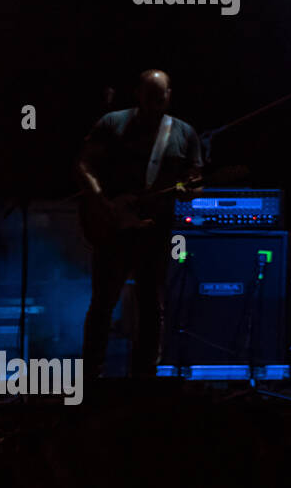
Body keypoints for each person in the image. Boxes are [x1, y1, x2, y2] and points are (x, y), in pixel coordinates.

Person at [75, 70, 204, 382]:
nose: (154, 105)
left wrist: (191, 189)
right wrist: (104, 203)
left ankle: (144, 376)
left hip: (154, 231)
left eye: (160, 99)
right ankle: (91, 375)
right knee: (103, 303)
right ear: (137, 94)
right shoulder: (112, 123)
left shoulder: (183, 133)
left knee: (151, 305)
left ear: (169, 96)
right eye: (149, 98)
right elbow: (83, 164)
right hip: (114, 228)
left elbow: (196, 181)